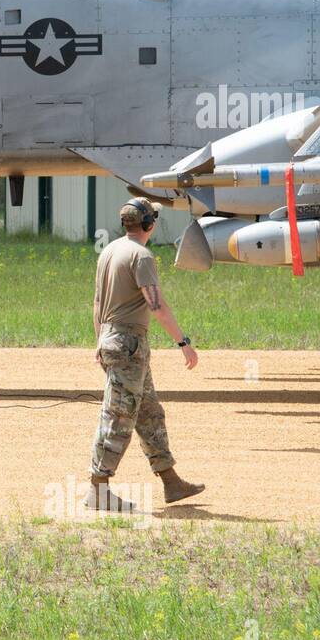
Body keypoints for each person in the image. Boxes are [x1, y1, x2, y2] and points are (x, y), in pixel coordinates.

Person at [87, 198, 204, 511]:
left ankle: (171, 480)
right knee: (119, 416)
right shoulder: (142, 256)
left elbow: (97, 303)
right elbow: (156, 305)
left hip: (116, 340)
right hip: (129, 345)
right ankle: (98, 487)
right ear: (149, 224)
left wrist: (100, 341)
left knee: (149, 411)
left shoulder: (110, 250)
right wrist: (183, 342)